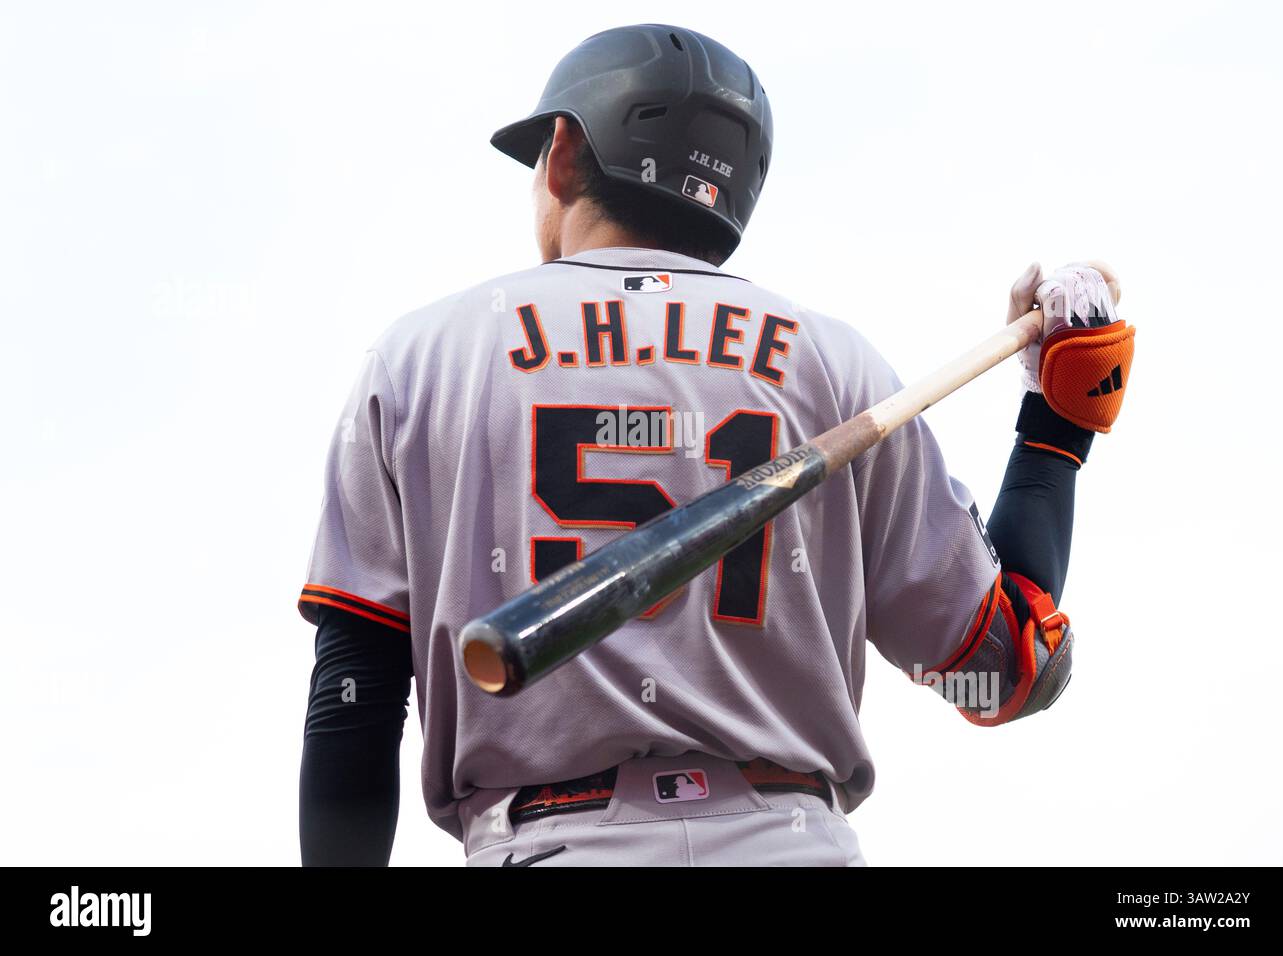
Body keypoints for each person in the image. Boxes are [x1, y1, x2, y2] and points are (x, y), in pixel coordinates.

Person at [297, 23, 1134, 867]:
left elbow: (353, 702)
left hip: (551, 847)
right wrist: (1055, 430)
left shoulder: (424, 358)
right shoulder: (839, 367)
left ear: (560, 154)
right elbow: (1008, 673)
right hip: (793, 845)